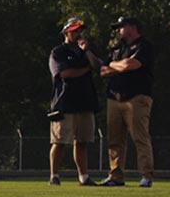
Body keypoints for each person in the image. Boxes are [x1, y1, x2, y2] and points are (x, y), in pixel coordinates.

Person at [98, 16, 157, 187]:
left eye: (121, 27)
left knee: (140, 137)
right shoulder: (117, 48)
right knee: (115, 140)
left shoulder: (144, 46)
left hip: (137, 97)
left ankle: (146, 176)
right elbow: (103, 70)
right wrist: (119, 64)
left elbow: (131, 65)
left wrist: (115, 65)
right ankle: (115, 176)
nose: (118, 31)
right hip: (114, 97)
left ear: (132, 27)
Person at [47, 18, 99, 186]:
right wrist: (85, 70)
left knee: (82, 142)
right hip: (65, 103)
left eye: (79, 31)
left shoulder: (83, 51)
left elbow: (97, 66)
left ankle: (83, 177)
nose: (78, 34)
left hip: (85, 102)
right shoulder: (58, 52)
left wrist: (86, 51)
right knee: (60, 141)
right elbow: (64, 73)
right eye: (74, 30)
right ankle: (54, 175)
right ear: (66, 32)